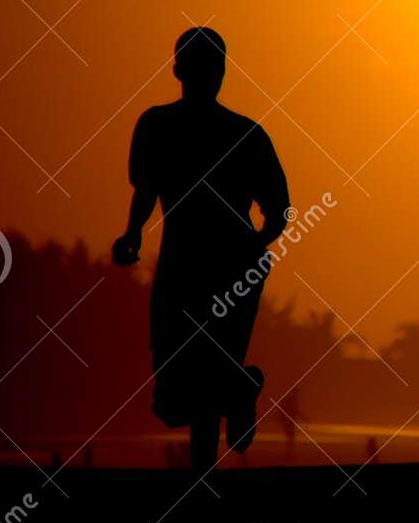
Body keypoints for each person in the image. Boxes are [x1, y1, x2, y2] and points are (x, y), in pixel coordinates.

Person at [112, 28, 290, 473]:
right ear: (179, 70)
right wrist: (133, 233)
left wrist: (249, 251)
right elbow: (147, 189)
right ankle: (241, 389)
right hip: (181, 265)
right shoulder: (157, 125)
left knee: (204, 389)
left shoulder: (246, 134)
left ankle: (202, 478)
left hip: (230, 272)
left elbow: (278, 212)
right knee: (173, 399)